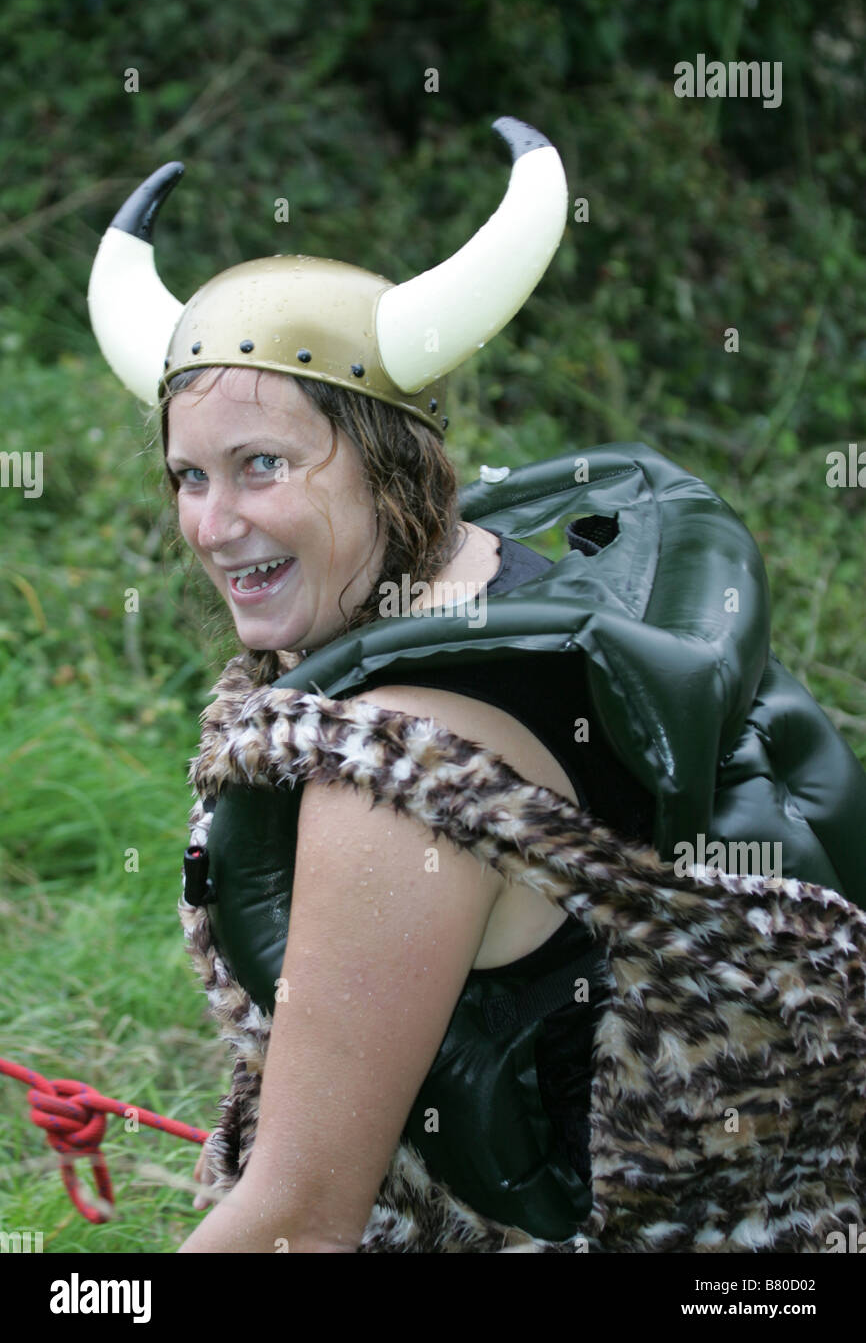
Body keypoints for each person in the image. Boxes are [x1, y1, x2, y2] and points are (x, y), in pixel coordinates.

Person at [88, 119, 866, 1253]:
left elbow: (296, 1224)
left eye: (264, 465)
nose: (212, 526)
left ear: (391, 459)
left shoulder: (403, 776)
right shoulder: (517, 583)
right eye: (188, 476)